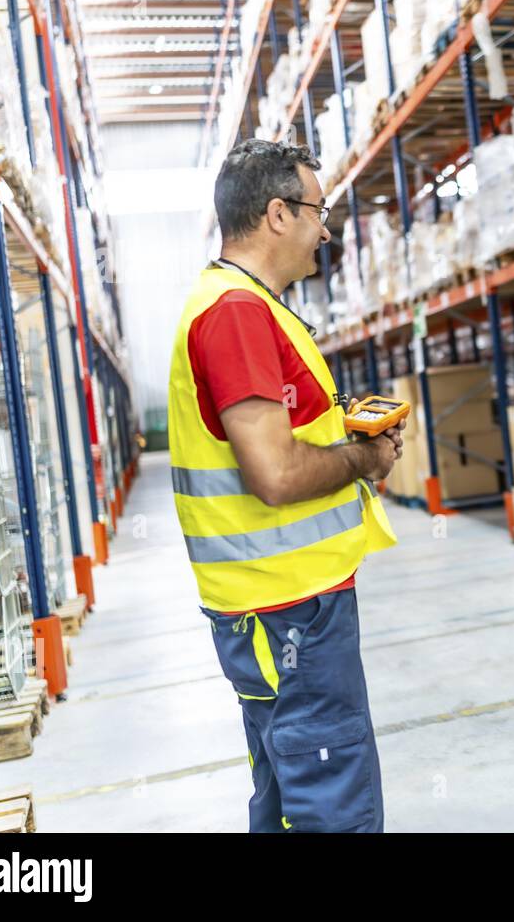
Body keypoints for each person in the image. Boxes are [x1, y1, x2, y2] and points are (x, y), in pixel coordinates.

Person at [167, 139, 402, 832]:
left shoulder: (244, 306)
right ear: (277, 213)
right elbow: (271, 473)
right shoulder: (236, 313)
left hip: (279, 606)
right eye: (317, 211)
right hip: (288, 609)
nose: (324, 230)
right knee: (330, 801)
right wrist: (362, 461)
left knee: (288, 793)